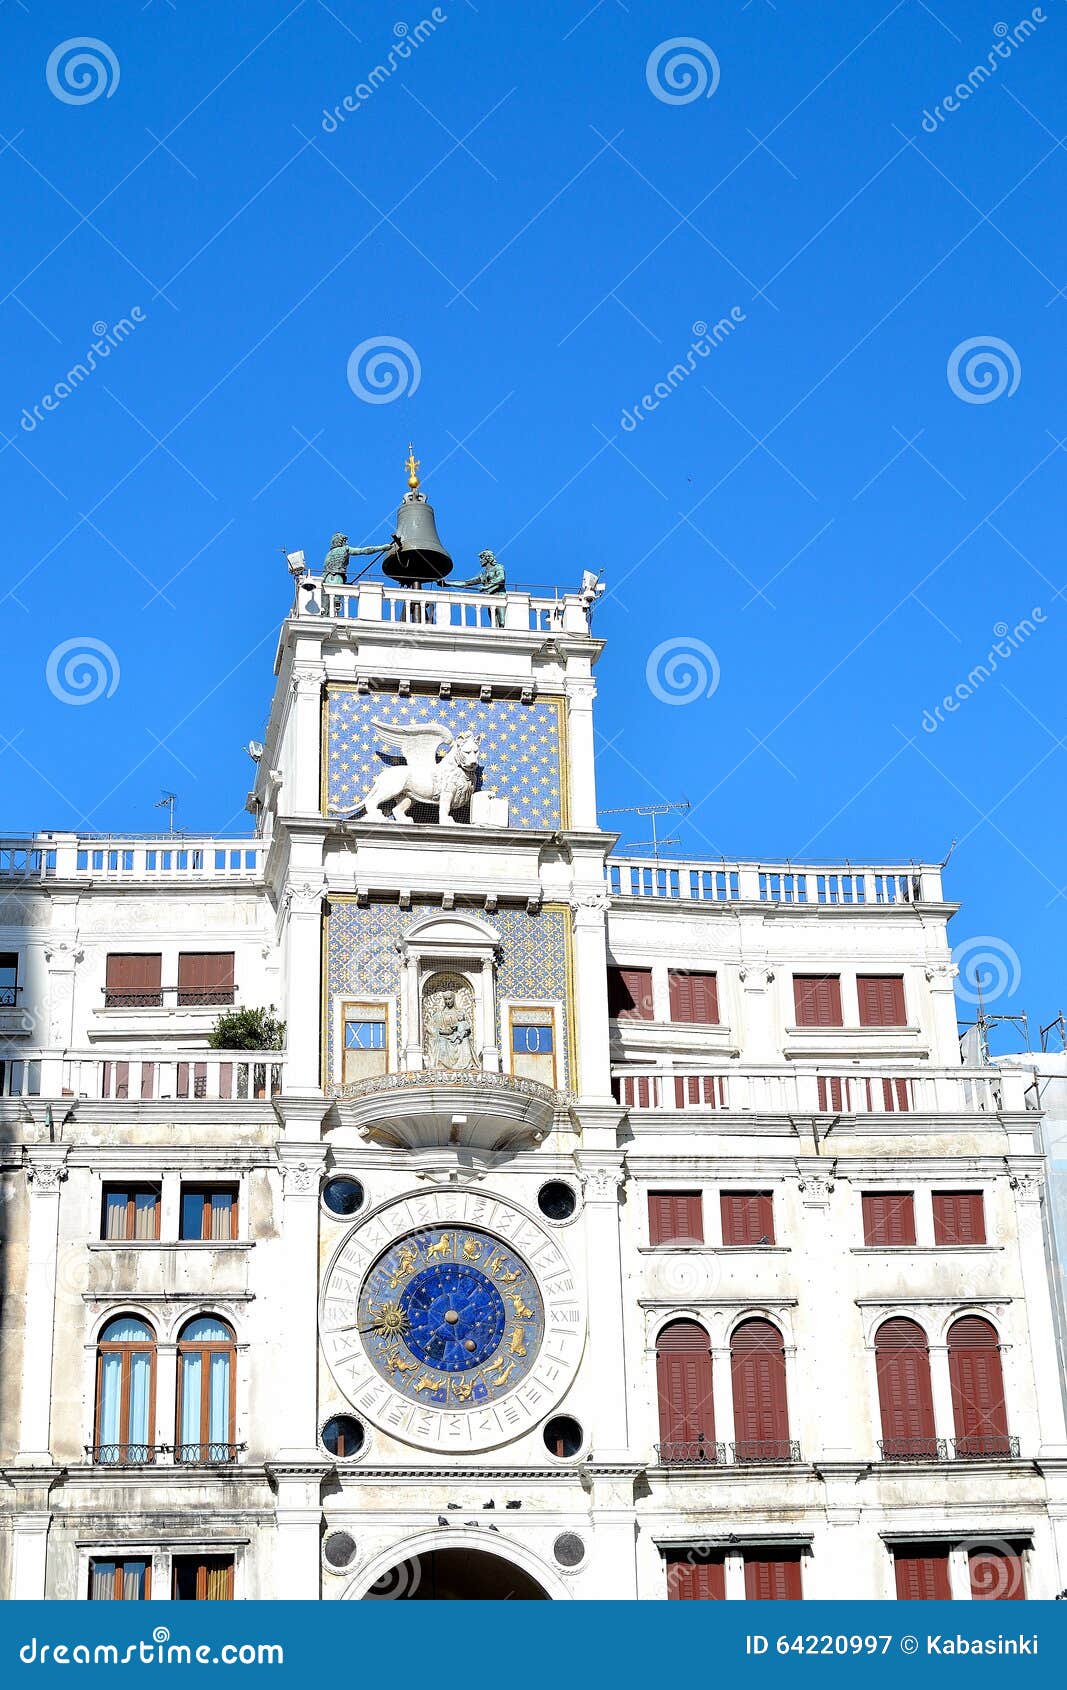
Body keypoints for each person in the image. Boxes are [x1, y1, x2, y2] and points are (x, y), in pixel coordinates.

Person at [457, 550, 507, 626]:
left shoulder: (498, 567)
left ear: (487, 558)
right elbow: (465, 583)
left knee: (502, 622)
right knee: (494, 624)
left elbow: (501, 578)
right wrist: (447, 583)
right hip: (490, 599)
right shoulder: (483, 575)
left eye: (481, 558)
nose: (480, 560)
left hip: (500, 596)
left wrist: (486, 587)